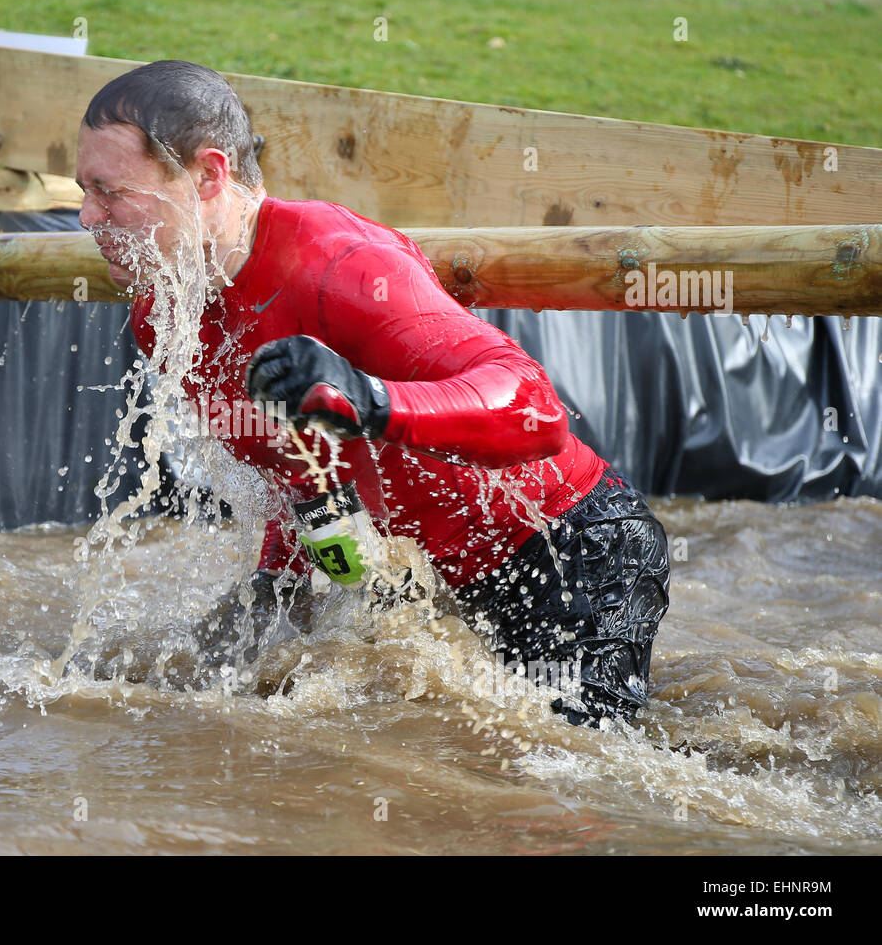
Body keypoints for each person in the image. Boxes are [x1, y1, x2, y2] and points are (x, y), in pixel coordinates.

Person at [74, 60, 669, 727]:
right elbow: (296, 471)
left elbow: (536, 412)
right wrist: (288, 592)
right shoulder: (163, 310)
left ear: (208, 175)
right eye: (83, 191)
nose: (85, 215)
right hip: (423, 578)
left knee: (559, 783)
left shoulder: (343, 266)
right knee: (200, 704)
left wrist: (370, 399)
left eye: (108, 190)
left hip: (568, 550)